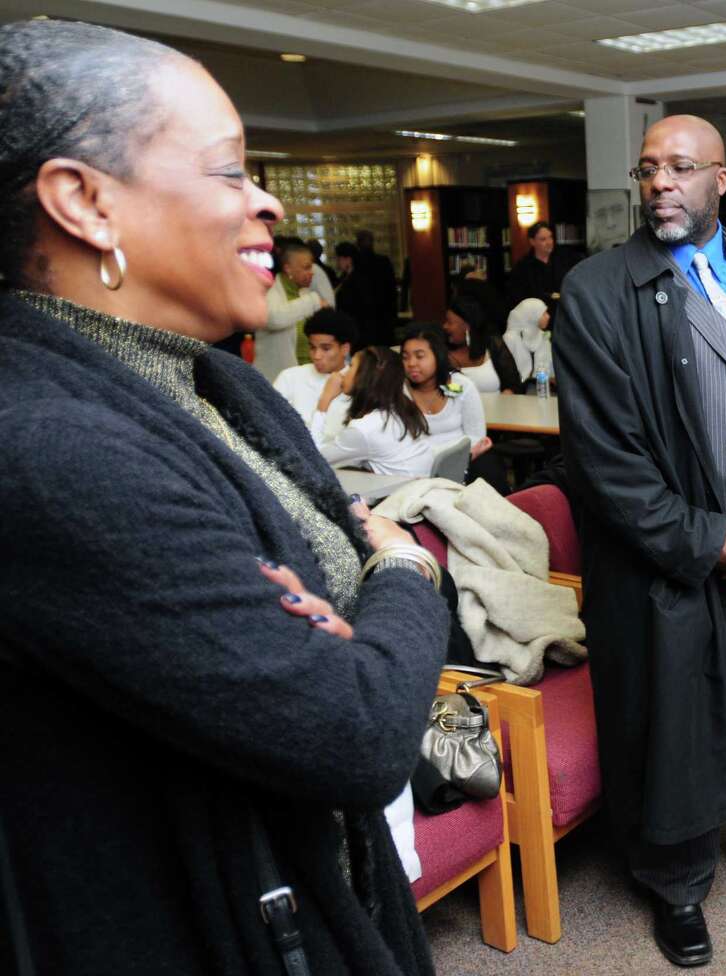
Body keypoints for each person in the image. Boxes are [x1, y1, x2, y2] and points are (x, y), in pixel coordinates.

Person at [0, 18, 447, 976]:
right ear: (85, 202)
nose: (267, 203)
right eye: (229, 171)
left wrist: (348, 628)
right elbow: (357, 727)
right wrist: (404, 569)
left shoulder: (219, 384)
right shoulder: (50, 449)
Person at [554, 114, 726, 968]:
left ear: (720, 182)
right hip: (665, 550)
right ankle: (676, 885)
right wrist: (705, 539)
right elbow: (604, 462)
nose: (660, 183)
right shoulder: (595, 290)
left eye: (682, 168)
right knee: (671, 724)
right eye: (648, 168)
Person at [401, 325, 510, 493]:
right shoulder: (399, 391)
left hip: (463, 459)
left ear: (438, 355)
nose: (411, 363)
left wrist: (453, 460)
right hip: (416, 465)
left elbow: (477, 436)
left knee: (488, 466)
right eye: (405, 357)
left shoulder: (461, 385)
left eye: (420, 356)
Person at [313, 346, 434, 478]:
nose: (343, 373)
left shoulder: (364, 428)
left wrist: (324, 399)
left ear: (364, 376)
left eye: (351, 366)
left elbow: (312, 457)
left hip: (396, 492)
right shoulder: (403, 407)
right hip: (420, 485)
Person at [272, 307, 354, 437]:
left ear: (345, 349)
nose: (317, 355)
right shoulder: (290, 377)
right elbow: (271, 423)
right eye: (312, 347)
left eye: (325, 349)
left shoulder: (360, 383)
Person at [259, 239, 327, 381]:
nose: (312, 273)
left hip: (306, 374)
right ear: (288, 268)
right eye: (306, 267)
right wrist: (312, 302)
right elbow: (273, 318)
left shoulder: (303, 293)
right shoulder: (270, 291)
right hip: (276, 378)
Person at [441, 293, 523, 395]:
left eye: (449, 322)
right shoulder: (442, 352)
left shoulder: (491, 344)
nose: (445, 326)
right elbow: (441, 391)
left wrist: (506, 395)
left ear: (467, 326)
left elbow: (513, 383)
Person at [506, 220, 580, 320]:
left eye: (550, 237)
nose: (549, 242)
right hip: (537, 318)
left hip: (563, 314)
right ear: (532, 242)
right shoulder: (523, 268)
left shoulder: (564, 260)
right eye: (543, 239)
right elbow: (519, 298)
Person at [355, 228, 398, 346]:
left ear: (357, 244)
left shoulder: (356, 264)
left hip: (364, 319)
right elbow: (392, 290)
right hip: (384, 314)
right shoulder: (383, 262)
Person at [333, 240, 379, 348]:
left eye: (339, 259)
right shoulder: (344, 277)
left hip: (359, 329)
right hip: (351, 327)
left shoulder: (358, 279)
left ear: (348, 259)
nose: (337, 262)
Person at [504, 297, 553, 387]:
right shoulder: (511, 339)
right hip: (516, 392)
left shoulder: (543, 337)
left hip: (542, 388)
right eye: (543, 313)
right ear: (532, 315)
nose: (548, 316)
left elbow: (550, 370)